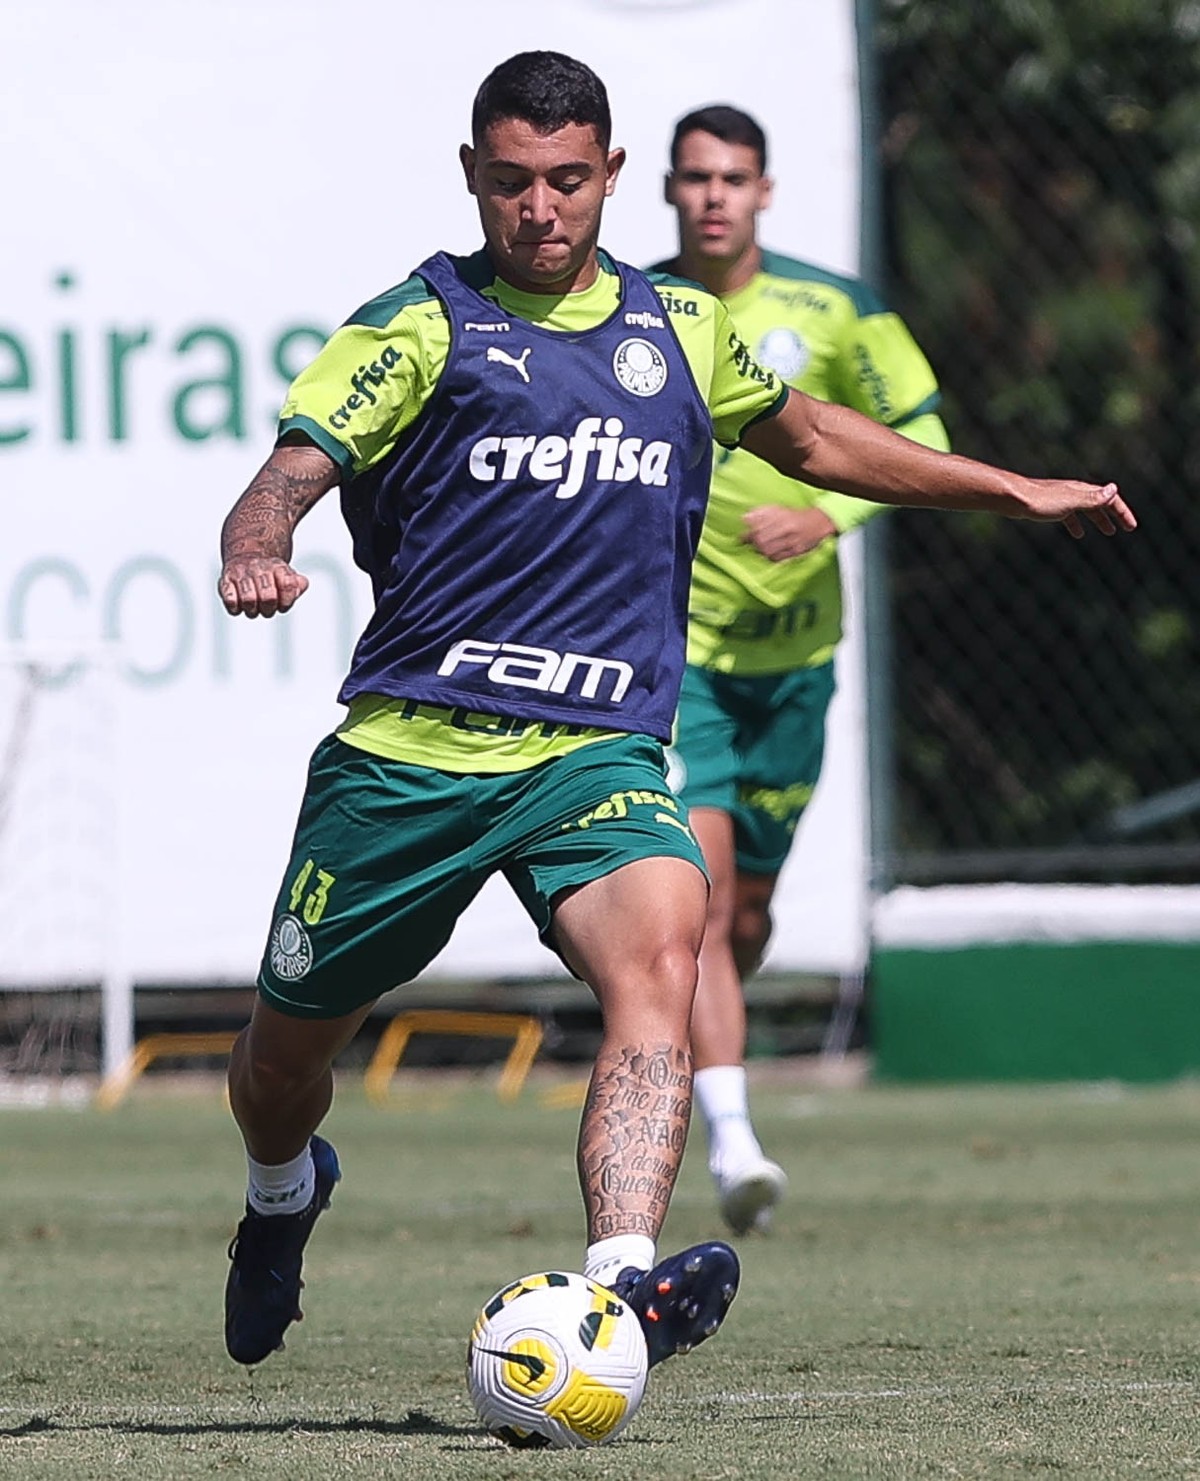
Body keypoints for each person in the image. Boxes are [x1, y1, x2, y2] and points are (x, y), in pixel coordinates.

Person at [216, 50, 1133, 1381]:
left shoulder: (681, 334)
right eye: (515, 182)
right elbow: (285, 476)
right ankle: (282, 1193)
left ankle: (620, 1289)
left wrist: (1012, 489)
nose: (541, 208)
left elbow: (818, 439)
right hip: (411, 751)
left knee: (662, 959)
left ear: (613, 177)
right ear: (473, 176)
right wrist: (256, 546)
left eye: (569, 181)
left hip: (596, 751)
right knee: (279, 1061)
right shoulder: (419, 327)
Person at [652, 105, 951, 1235]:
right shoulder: (640, 312)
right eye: (695, 178)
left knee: (749, 913)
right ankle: (733, 1139)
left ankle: (722, 1071)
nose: (714, 196)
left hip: (797, 665)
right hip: (679, 661)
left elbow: (915, 424)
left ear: (765, 192)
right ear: (668, 192)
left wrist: (826, 515)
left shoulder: (835, 309)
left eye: (734, 177)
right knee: (706, 901)